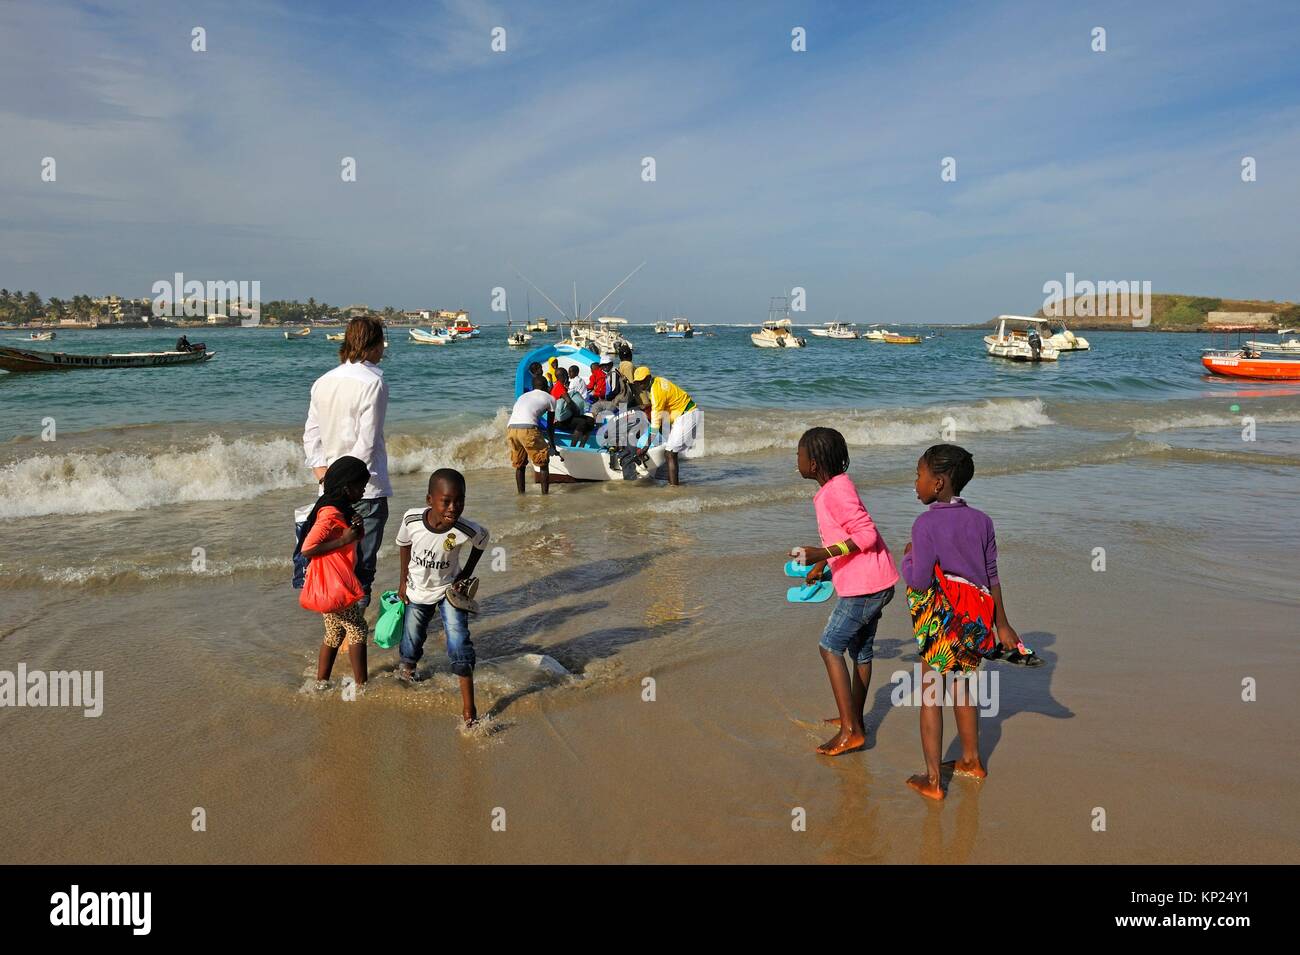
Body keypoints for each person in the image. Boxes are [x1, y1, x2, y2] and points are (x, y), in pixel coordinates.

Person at [899, 444, 1025, 801]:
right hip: (975, 621)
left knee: (930, 694)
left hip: (940, 623)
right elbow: (991, 576)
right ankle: (972, 760)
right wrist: (1003, 624)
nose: (915, 483)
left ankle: (933, 780)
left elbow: (920, 581)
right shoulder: (982, 521)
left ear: (938, 483)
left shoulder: (925, 524)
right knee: (964, 688)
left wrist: (906, 559)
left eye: (919, 475)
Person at [789, 428, 899, 756]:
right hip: (874, 582)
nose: (797, 460)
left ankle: (851, 730)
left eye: (799, 455)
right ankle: (854, 719)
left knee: (829, 647)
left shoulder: (837, 491)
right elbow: (845, 535)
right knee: (860, 653)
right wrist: (822, 566)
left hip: (864, 588)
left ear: (815, 461)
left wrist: (821, 554)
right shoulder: (834, 489)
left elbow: (866, 534)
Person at [303, 316, 390, 608]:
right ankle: (353, 640)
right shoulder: (373, 382)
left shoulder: (323, 381)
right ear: (373, 344)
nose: (383, 349)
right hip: (365, 490)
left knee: (335, 568)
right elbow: (365, 443)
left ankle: (335, 637)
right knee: (360, 572)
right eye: (381, 342)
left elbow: (311, 436)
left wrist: (323, 476)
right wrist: (352, 483)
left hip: (329, 491)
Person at [394, 469, 488, 726]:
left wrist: (466, 573)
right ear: (429, 500)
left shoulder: (464, 528)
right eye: (446, 501)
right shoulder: (411, 519)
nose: (453, 507)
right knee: (412, 636)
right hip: (417, 590)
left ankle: (469, 709)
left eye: (460, 501)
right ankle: (408, 671)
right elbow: (403, 545)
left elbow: (483, 539)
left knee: (458, 640)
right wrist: (402, 582)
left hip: (449, 591)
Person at [299, 456, 372, 687]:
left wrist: (354, 527)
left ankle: (322, 682)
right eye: (360, 487)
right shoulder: (330, 513)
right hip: (334, 584)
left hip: (330, 581)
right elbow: (308, 548)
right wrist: (344, 540)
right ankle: (362, 685)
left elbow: (348, 537)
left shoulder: (339, 507)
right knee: (358, 629)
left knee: (334, 633)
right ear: (345, 487)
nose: (363, 491)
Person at [633, 365, 700, 485]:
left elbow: (655, 423)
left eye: (642, 382)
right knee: (670, 452)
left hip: (687, 414)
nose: (640, 385)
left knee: (670, 453)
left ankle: (673, 488)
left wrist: (646, 447)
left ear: (648, 378)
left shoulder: (656, 392)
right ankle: (673, 483)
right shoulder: (657, 381)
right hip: (685, 414)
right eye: (637, 383)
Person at [507, 373, 558, 494]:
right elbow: (550, 426)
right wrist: (552, 445)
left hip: (511, 428)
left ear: (533, 386)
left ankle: (521, 495)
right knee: (543, 463)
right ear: (546, 386)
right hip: (528, 429)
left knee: (519, 464)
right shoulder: (551, 398)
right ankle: (545, 497)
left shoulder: (523, 396)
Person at [551, 368, 595, 442]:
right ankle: (573, 446)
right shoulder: (559, 387)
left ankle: (582, 446)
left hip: (565, 414)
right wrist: (577, 413)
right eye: (566, 375)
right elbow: (569, 402)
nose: (568, 376)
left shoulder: (560, 386)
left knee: (590, 421)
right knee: (582, 422)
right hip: (559, 420)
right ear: (564, 376)